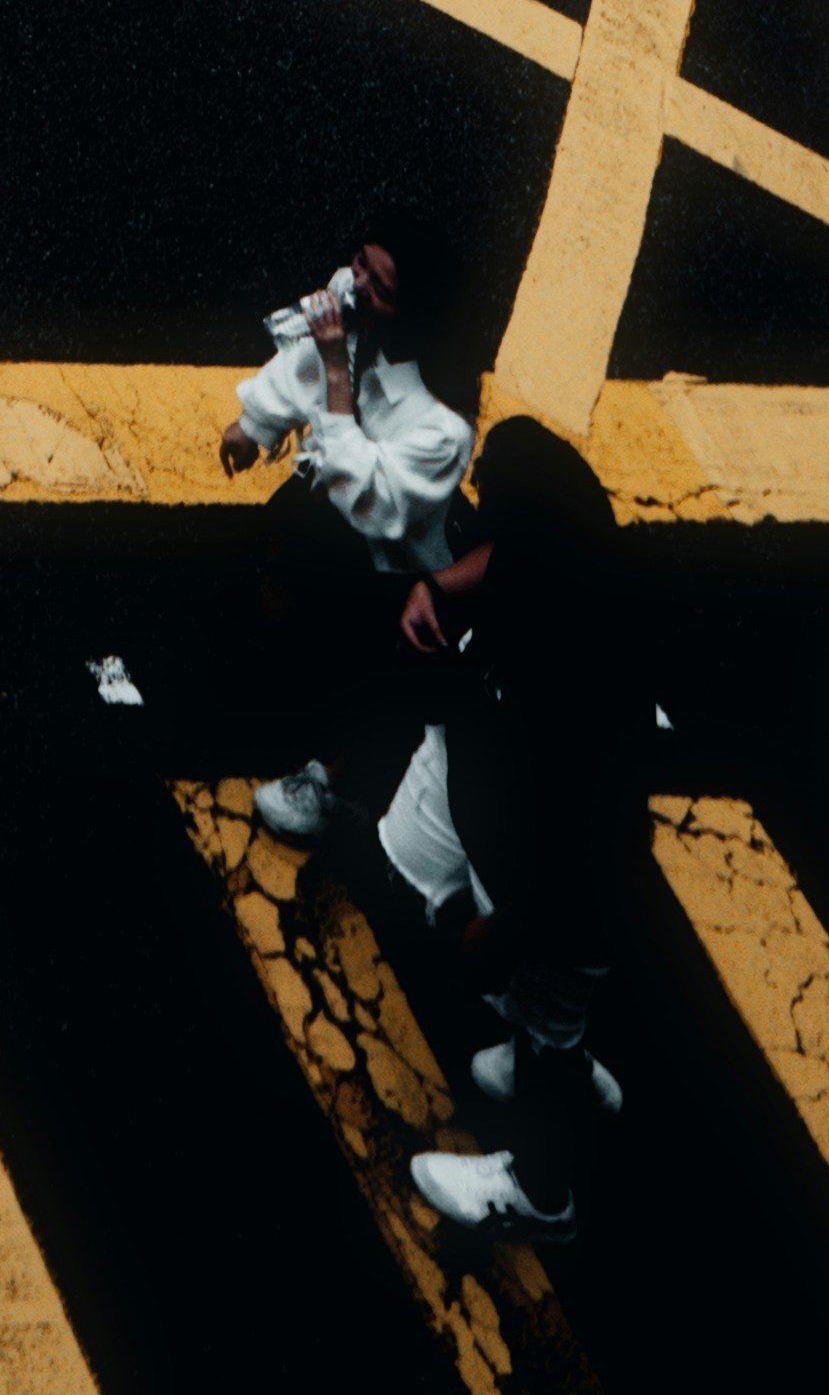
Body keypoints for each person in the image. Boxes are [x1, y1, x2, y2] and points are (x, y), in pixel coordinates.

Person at [407, 419, 642, 1246]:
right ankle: (566, 1059)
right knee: (547, 1014)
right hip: (574, 874)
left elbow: (559, 871)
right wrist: (440, 585)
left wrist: (495, 941)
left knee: (544, 1008)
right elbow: (504, 558)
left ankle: (539, 1192)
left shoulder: (565, 707)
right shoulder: (575, 568)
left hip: (573, 897)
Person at [227, 233, 471, 837]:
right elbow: (303, 361)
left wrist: (338, 369)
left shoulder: (444, 426)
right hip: (330, 508)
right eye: (360, 263)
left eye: (378, 286)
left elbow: (369, 501)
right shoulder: (358, 313)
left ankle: (337, 780)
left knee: (373, 666)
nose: (353, 284)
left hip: (392, 563)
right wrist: (255, 421)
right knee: (279, 562)